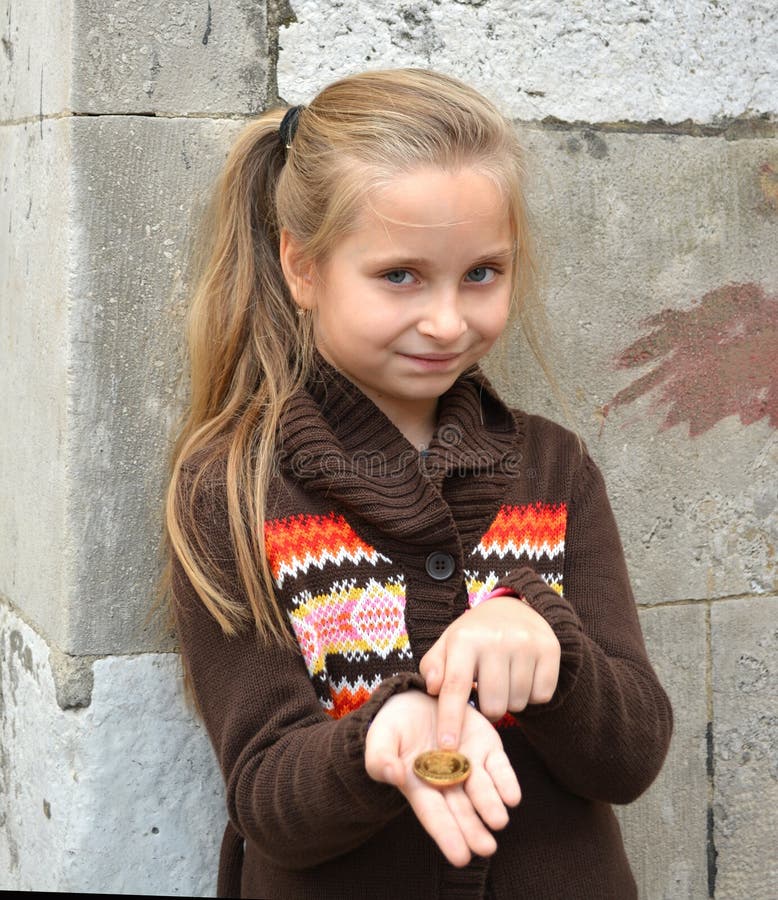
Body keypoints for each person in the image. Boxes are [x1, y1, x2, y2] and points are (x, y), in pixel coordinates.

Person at [162, 68, 673, 899]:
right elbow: (264, 795)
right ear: (302, 267)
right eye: (400, 275)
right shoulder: (233, 489)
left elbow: (633, 755)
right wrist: (373, 741)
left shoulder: (556, 470)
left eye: (481, 274)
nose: (446, 321)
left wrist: (554, 651)